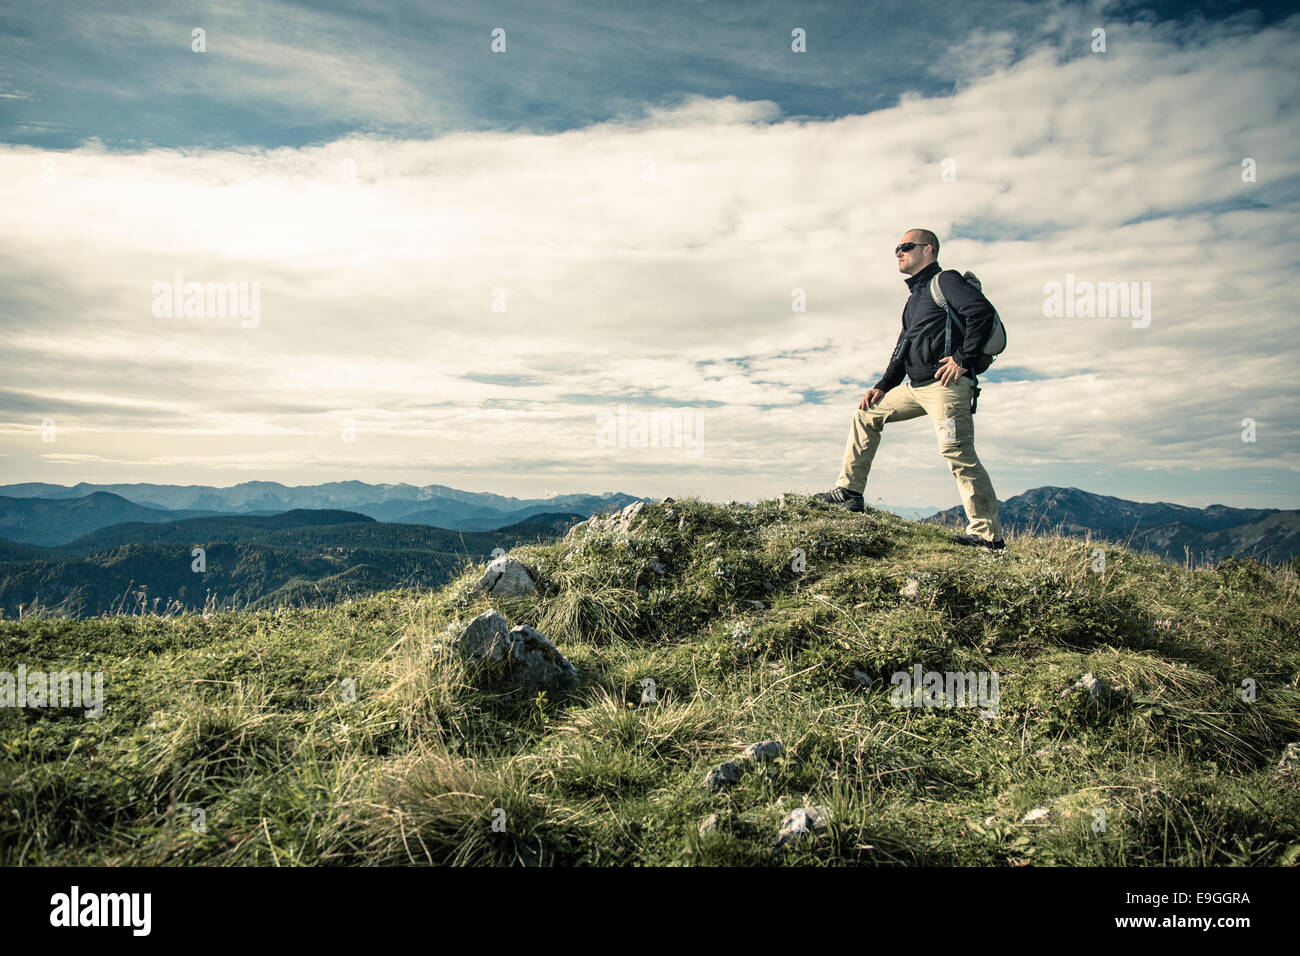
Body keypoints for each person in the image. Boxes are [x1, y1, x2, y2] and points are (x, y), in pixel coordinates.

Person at [815, 228, 1005, 549]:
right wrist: (883, 385)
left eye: (906, 247)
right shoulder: (914, 298)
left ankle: (988, 536)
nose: (899, 253)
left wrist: (962, 359)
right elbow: (903, 346)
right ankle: (849, 493)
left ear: (928, 249)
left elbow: (981, 313)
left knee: (957, 453)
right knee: (867, 413)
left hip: (947, 386)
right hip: (914, 387)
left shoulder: (946, 281)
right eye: (897, 249)